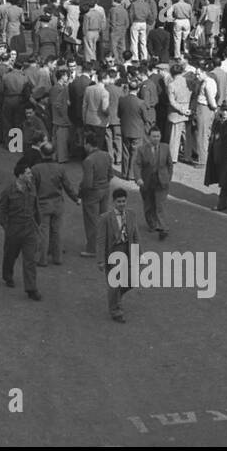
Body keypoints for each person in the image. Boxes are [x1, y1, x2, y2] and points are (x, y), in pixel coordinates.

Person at [0, 162, 42, 301]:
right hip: (14, 229)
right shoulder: (8, 191)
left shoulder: (32, 188)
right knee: (10, 255)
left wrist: (37, 224)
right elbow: (1, 210)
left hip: (29, 228)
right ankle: (7, 275)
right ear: (20, 175)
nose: (31, 175)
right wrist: (7, 227)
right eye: (28, 173)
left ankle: (31, 288)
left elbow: (36, 207)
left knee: (30, 259)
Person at [100, 188, 141, 323]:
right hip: (113, 253)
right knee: (114, 283)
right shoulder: (105, 218)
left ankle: (116, 297)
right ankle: (115, 311)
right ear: (113, 202)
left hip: (127, 251)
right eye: (119, 201)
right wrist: (100, 261)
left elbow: (135, 236)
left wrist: (138, 254)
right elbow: (101, 240)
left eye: (124, 201)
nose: (122, 204)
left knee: (132, 280)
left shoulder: (131, 214)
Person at [30, 151, 78, 267]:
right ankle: (58, 258)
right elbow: (68, 186)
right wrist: (76, 198)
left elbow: (32, 190)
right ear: (53, 154)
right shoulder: (60, 168)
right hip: (57, 204)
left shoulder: (35, 169)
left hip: (43, 204)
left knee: (43, 232)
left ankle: (42, 259)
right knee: (57, 231)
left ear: (42, 154)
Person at [133, 123, 172, 240]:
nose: (156, 139)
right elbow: (137, 165)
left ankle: (163, 228)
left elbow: (169, 164)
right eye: (154, 136)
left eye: (158, 136)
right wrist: (138, 178)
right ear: (149, 137)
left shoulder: (165, 148)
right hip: (147, 181)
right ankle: (152, 224)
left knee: (160, 205)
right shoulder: (141, 149)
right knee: (149, 205)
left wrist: (168, 177)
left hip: (161, 181)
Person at [77, 135, 111, 257]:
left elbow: (87, 183)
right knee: (103, 219)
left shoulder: (88, 160)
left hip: (92, 193)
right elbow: (110, 174)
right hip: (105, 190)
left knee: (91, 221)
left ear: (89, 144)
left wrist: (80, 194)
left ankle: (92, 248)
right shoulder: (106, 155)